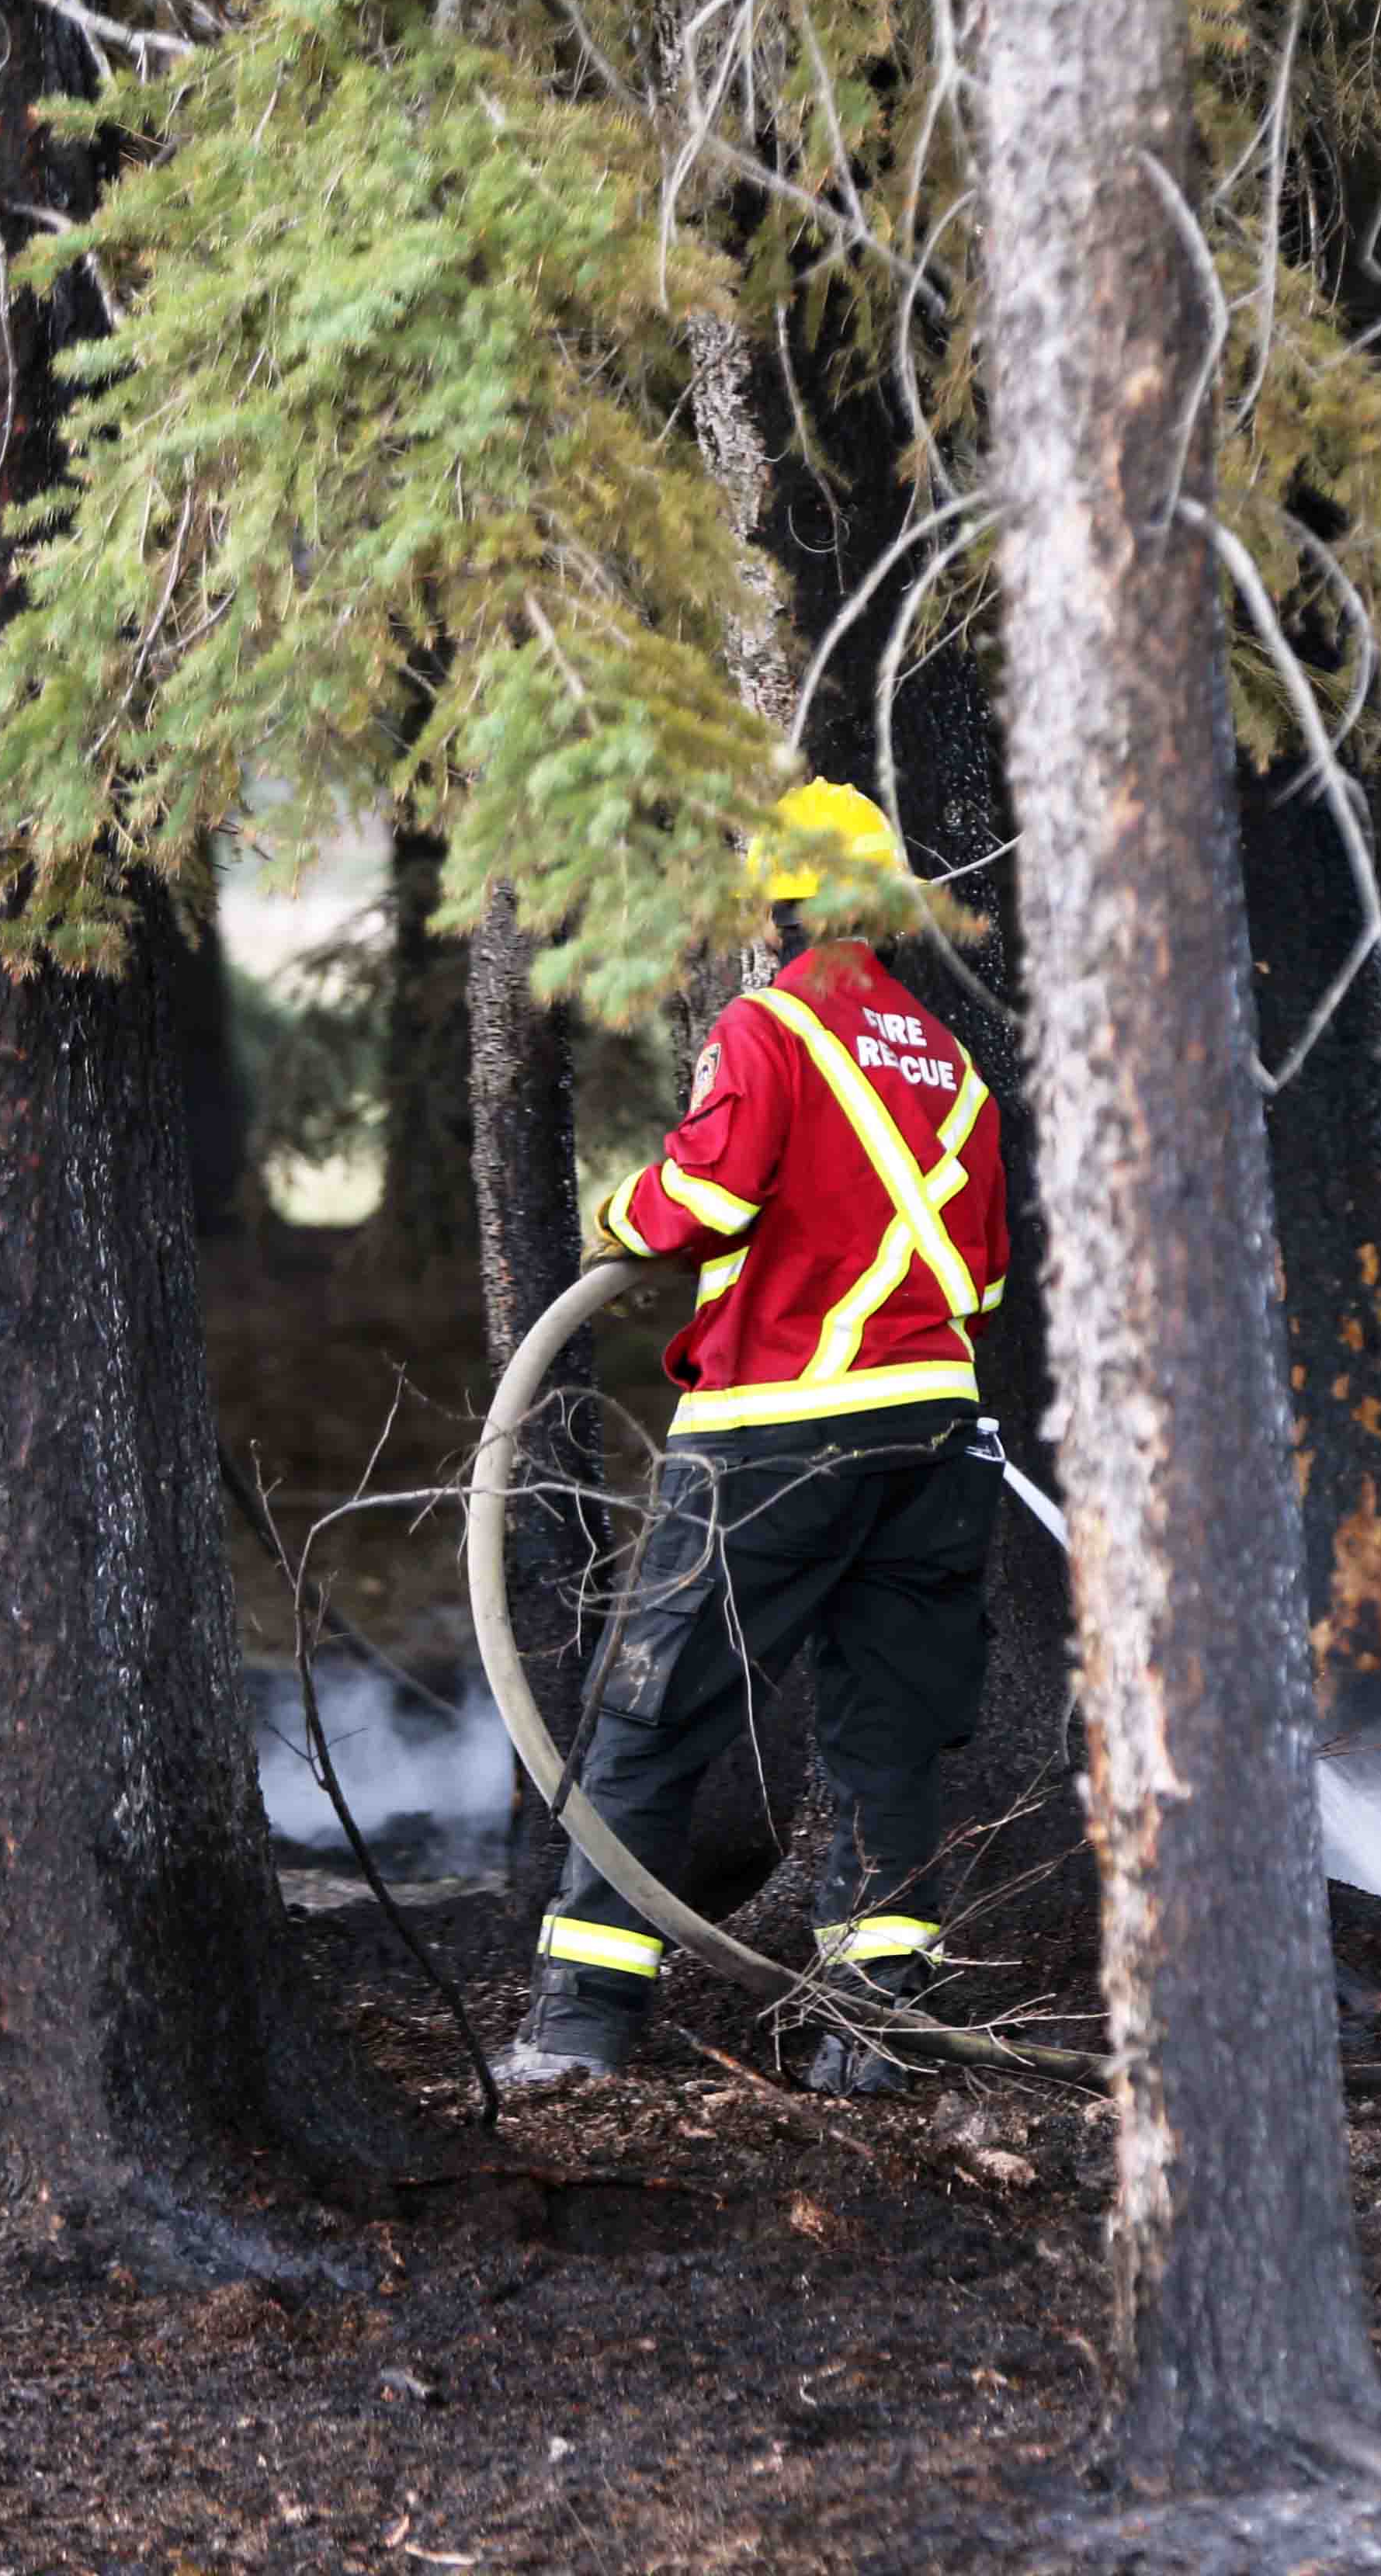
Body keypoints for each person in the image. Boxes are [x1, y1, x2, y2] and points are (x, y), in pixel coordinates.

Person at [505, 782, 1011, 2092]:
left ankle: (579, 2031)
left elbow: (704, 1199)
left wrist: (621, 1213)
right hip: (934, 1442)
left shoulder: (767, 1025)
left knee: (652, 1720)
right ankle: (876, 2032)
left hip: (776, 1433)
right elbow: (985, 1278)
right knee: (888, 1740)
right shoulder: (952, 1068)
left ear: (776, 910)